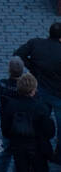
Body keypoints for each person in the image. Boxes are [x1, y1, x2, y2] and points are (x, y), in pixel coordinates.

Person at [1, 72, 55, 172]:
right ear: (33, 89)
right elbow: (50, 131)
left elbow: (6, 130)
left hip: (19, 147)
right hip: (38, 148)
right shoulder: (40, 107)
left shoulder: (11, 105)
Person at [15, 24, 61, 163]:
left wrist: (32, 67)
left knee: (39, 121)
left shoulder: (36, 43)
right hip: (59, 94)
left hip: (42, 91)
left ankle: (38, 149)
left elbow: (18, 54)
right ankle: (58, 156)